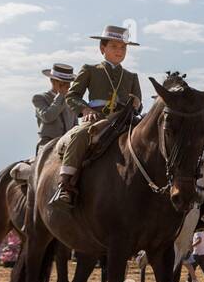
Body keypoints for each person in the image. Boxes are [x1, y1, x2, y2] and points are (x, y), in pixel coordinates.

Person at [51, 25, 144, 208]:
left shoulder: (131, 76)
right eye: (114, 47)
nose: (119, 51)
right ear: (102, 48)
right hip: (98, 118)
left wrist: (137, 104)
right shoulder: (90, 70)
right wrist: (85, 110)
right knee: (80, 135)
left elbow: (138, 102)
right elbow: (72, 95)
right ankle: (65, 184)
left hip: (124, 119)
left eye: (123, 48)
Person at [34, 62, 78, 152]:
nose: (66, 86)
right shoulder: (40, 98)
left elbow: (75, 125)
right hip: (48, 145)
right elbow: (48, 117)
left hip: (68, 145)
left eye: (68, 83)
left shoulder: (72, 100)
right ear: (52, 80)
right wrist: (60, 96)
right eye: (62, 82)